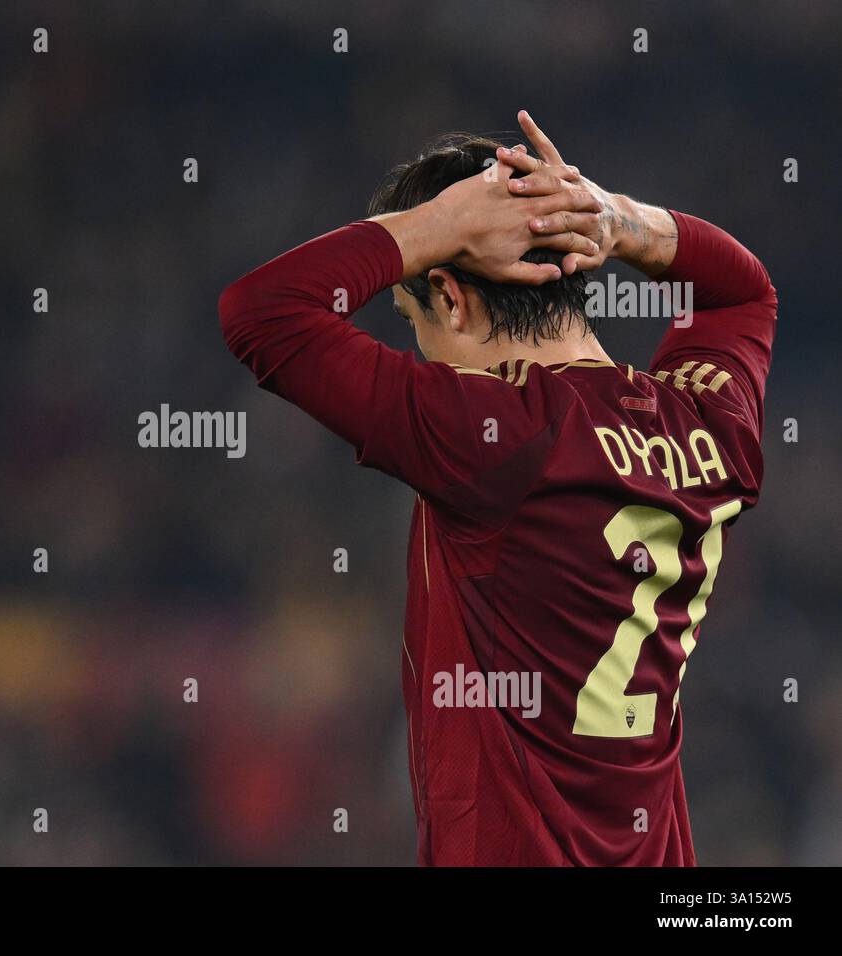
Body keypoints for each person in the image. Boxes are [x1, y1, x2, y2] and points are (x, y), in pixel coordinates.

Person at [219, 111, 776, 865]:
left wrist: (437, 223)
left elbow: (262, 313)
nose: (421, 347)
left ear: (449, 296)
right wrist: (621, 220)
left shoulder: (491, 432)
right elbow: (742, 295)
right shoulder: (705, 425)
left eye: (414, 318)